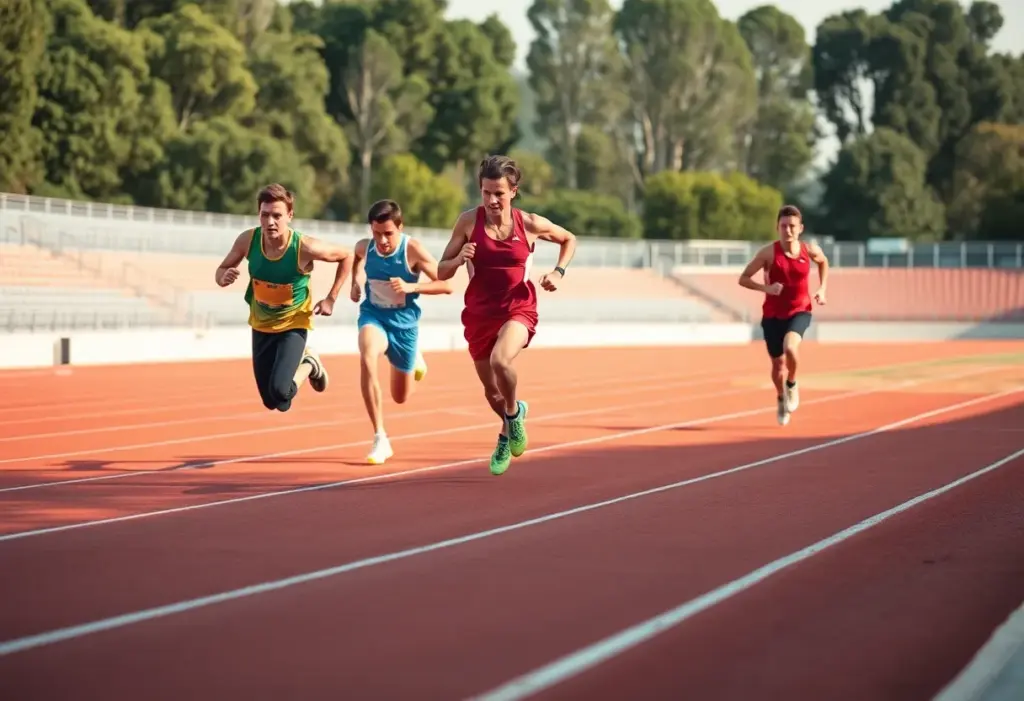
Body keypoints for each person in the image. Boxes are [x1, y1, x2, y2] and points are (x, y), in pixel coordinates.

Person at [437, 155, 577, 476]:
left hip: (518, 307)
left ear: (513, 191)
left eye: (499, 193)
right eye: (486, 192)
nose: (491, 200)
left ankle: (513, 417)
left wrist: (558, 272)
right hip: (479, 315)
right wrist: (459, 258)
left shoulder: (528, 223)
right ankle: (507, 425)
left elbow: (569, 238)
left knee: (502, 361)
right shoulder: (468, 223)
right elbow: (440, 271)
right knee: (491, 390)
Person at [214, 183, 354, 412]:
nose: (270, 222)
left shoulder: (304, 247)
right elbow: (221, 271)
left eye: (277, 216)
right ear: (258, 214)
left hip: (293, 323)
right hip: (262, 324)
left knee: (280, 391)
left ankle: (309, 363)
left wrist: (331, 298)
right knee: (275, 402)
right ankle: (310, 365)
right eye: (265, 215)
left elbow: (347, 255)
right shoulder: (247, 241)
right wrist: (224, 277)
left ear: (290, 216)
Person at [349, 199, 453, 464]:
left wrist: (411, 288)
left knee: (400, 397)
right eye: (376, 233)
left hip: (404, 326)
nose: (382, 240)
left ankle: (414, 356)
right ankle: (380, 437)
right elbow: (356, 256)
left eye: (388, 233)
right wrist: (354, 283)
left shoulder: (412, 250)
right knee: (367, 355)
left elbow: (445, 285)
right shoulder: (366, 247)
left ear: (400, 227)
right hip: (373, 316)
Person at [737, 204, 829, 426]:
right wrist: (766, 289)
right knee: (777, 365)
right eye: (783, 226)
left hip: (800, 311)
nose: (788, 230)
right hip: (772, 316)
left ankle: (792, 384)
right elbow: (744, 278)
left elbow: (823, 261)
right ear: (777, 227)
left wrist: (823, 288)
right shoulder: (768, 253)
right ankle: (781, 397)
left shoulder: (810, 250)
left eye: (792, 226)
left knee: (791, 348)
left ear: (800, 228)